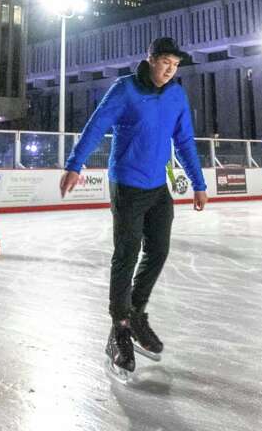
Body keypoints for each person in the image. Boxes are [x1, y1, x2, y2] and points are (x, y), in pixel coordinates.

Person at [60, 36, 208, 379]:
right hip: (127, 184)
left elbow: (184, 140)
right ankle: (120, 328)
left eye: (175, 65)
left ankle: (137, 313)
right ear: (150, 58)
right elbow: (96, 126)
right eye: (165, 63)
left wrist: (198, 183)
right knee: (127, 254)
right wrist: (75, 164)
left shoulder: (176, 95)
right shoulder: (124, 90)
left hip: (158, 187)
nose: (170, 70)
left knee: (158, 251)